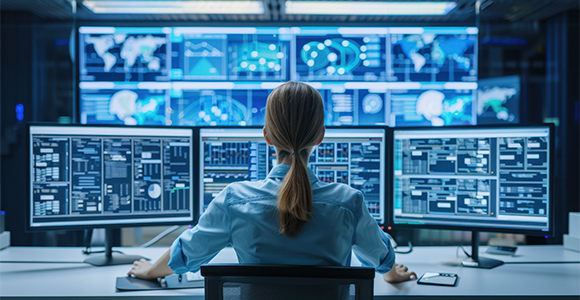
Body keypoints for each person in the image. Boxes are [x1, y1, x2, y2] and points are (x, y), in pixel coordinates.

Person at [128, 81, 416, 284]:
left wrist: (150, 270)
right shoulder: (348, 202)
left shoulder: (234, 200)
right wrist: (391, 273)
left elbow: (185, 253)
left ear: (266, 136)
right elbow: (380, 257)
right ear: (320, 138)